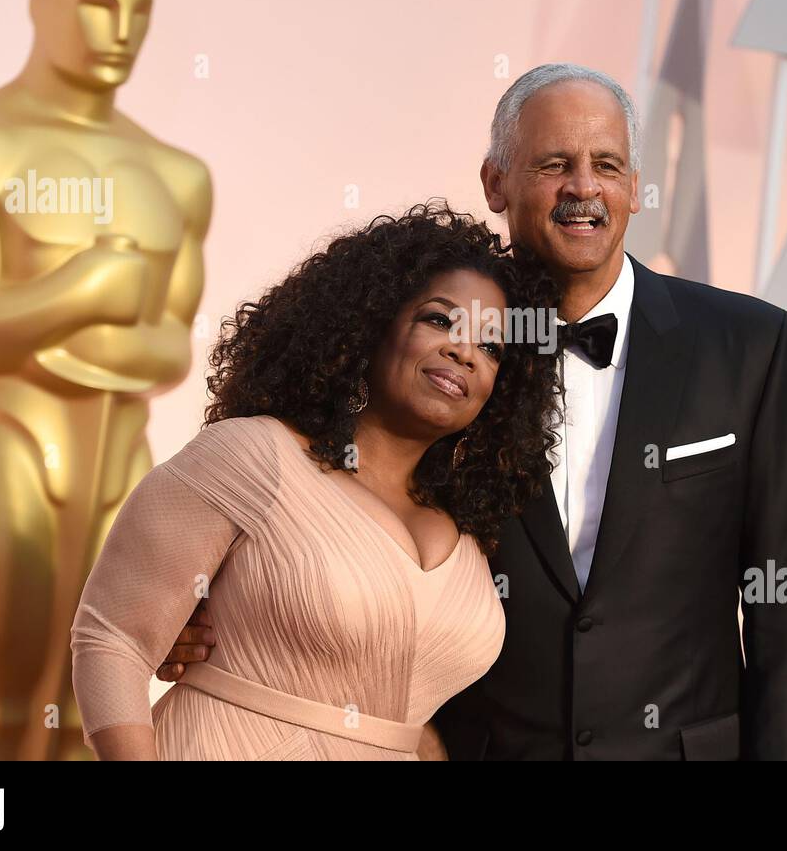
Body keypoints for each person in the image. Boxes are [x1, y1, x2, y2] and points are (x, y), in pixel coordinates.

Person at [163, 63, 787, 760]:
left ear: (635, 188)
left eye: (607, 164)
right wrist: (210, 606)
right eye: (553, 163)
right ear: (495, 182)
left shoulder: (750, 346)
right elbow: (310, 505)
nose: (583, 187)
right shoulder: (431, 356)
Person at [70, 202, 561, 759]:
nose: (463, 350)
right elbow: (112, 639)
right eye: (439, 319)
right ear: (371, 326)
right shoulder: (255, 455)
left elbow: (396, 718)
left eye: (491, 346)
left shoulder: (472, 535)